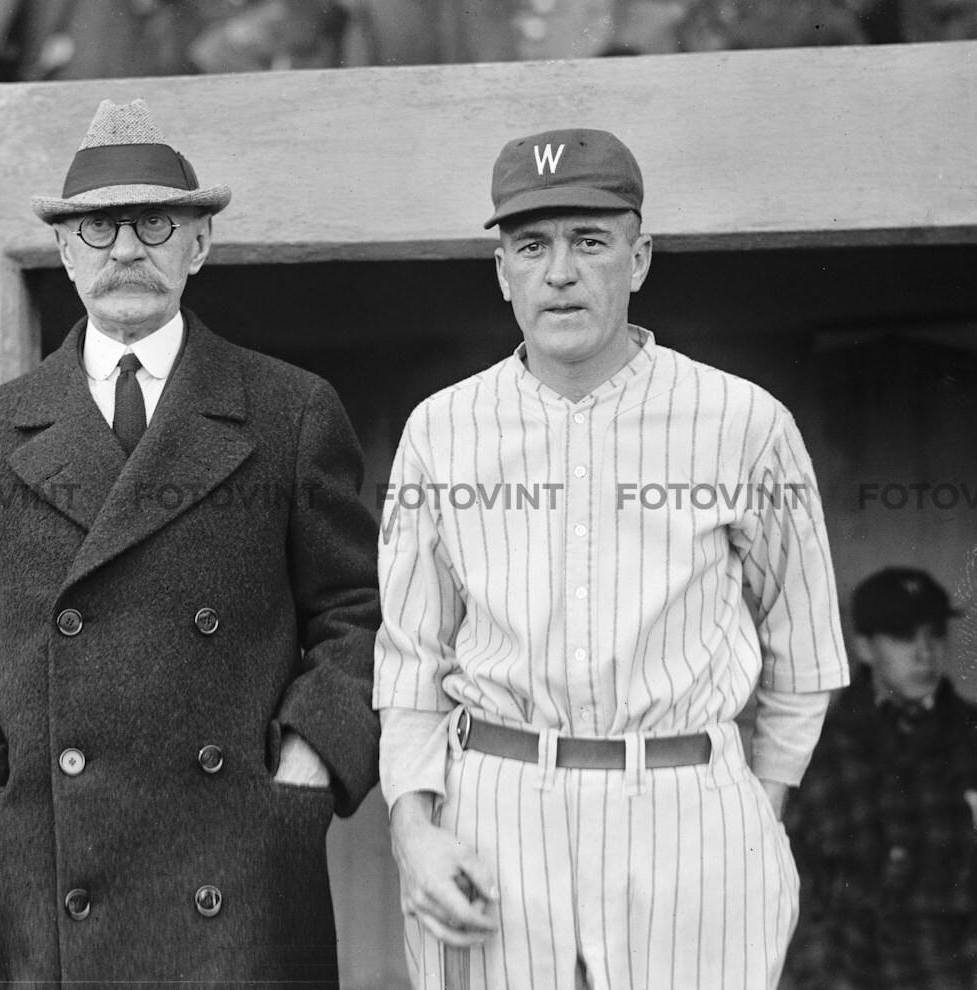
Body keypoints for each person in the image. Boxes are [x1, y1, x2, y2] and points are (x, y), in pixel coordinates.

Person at [0, 98, 381, 987]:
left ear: (199, 245)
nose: (125, 249)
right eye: (99, 227)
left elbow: (357, 615)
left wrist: (310, 763)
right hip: (43, 857)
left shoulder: (290, 411)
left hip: (238, 856)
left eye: (155, 224)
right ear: (65, 251)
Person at [373, 128, 850, 989]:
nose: (560, 272)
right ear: (502, 271)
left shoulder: (744, 422)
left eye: (590, 241)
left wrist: (761, 805)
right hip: (497, 809)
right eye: (532, 246)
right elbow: (412, 660)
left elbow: (805, 647)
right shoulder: (440, 431)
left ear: (640, 257)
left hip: (687, 805)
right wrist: (414, 830)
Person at [785, 567, 977, 990]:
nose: (925, 654)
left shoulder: (969, 738)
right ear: (865, 648)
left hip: (951, 967)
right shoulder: (820, 746)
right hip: (843, 966)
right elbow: (795, 884)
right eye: (904, 637)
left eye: (935, 634)